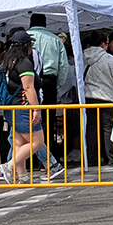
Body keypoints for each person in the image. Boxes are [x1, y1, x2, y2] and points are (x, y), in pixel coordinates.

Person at [0, 30, 45, 183]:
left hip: (12, 107)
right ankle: (9, 166)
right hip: (24, 106)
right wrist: (36, 109)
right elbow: (29, 88)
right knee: (37, 142)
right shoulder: (23, 62)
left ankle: (23, 176)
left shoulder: (8, 61)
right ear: (26, 45)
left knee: (20, 143)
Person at [83, 33, 113, 166]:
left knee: (91, 129)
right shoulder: (109, 59)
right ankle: (112, 158)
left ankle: (92, 158)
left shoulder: (82, 57)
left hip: (89, 96)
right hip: (108, 97)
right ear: (103, 44)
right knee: (108, 128)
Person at [28, 13, 69, 154]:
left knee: (26, 118)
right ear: (45, 23)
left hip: (27, 79)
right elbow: (64, 66)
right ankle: (48, 155)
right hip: (49, 80)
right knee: (48, 119)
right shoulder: (55, 39)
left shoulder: (24, 38)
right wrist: (57, 85)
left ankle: (29, 156)